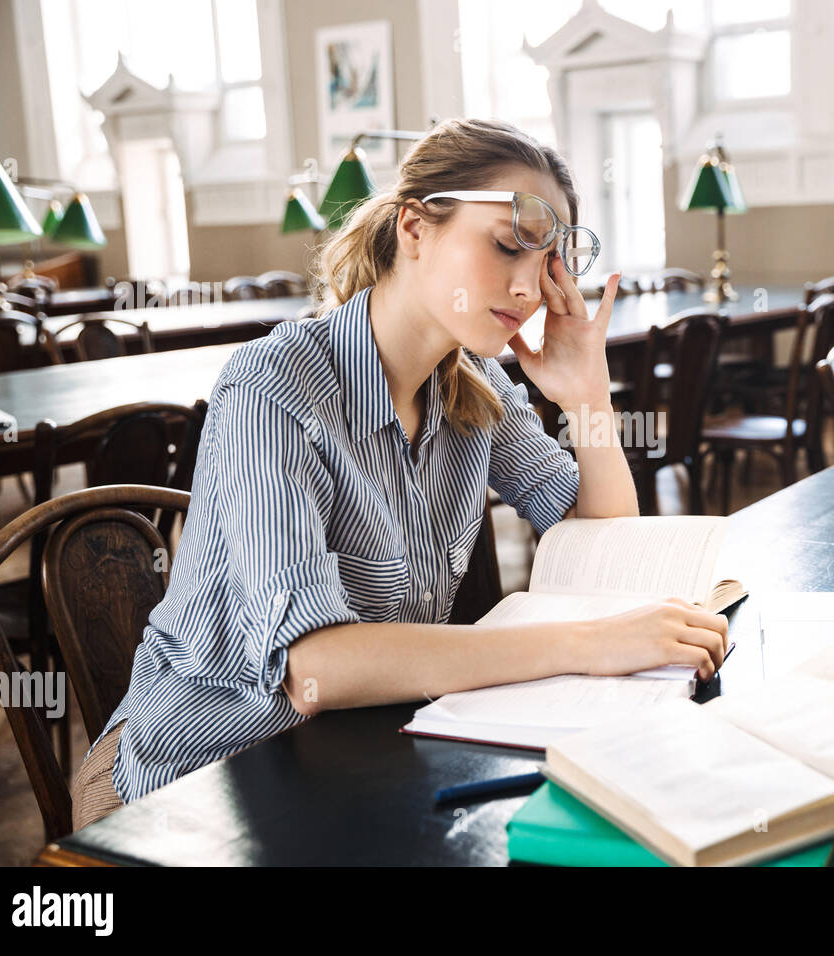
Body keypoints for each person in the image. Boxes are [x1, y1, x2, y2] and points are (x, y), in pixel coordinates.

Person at [69, 118, 728, 828]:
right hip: (191, 786)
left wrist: (589, 398)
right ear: (415, 228)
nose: (528, 286)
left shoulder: (474, 382)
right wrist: (588, 646)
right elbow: (317, 668)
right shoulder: (273, 388)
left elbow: (603, 550)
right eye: (508, 245)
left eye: (548, 263)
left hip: (357, 757)